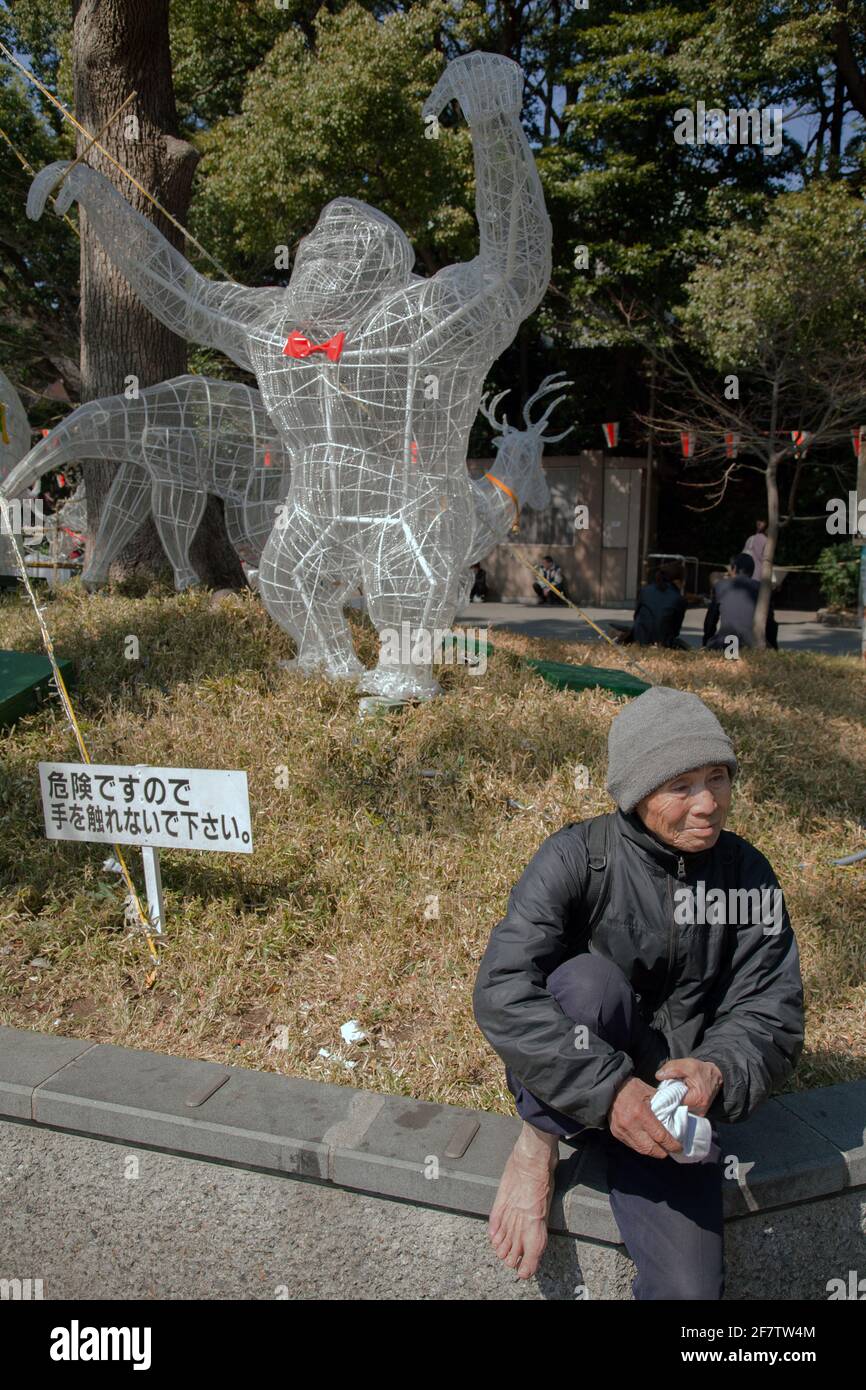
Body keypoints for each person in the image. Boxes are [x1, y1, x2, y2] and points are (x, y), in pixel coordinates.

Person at [473, 685, 804, 1297]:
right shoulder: (578, 859)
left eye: (717, 777)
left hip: (676, 1109)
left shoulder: (746, 875)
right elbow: (502, 989)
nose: (707, 803)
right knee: (587, 983)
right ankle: (536, 1145)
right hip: (575, 1079)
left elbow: (770, 1007)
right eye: (681, 786)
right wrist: (609, 1089)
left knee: (691, 1294)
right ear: (635, 792)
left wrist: (716, 1069)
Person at [703, 553, 779, 651]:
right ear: (752, 571)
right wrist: (773, 647)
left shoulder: (721, 586)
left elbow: (710, 621)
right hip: (752, 646)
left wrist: (705, 643)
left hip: (725, 644)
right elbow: (770, 624)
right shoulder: (762, 589)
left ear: (734, 568)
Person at [614, 560, 688, 649]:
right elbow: (675, 630)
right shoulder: (679, 599)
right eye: (684, 581)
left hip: (639, 639)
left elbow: (637, 616)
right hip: (662, 643)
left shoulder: (645, 591)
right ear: (678, 581)